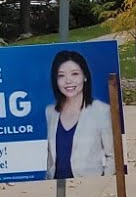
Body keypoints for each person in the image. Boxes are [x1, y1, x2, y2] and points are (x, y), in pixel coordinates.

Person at [44, 50, 114, 179]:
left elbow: (113, 155)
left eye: (75, 74)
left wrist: (103, 184)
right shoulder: (50, 112)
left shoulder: (101, 111)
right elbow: (50, 157)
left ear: (85, 76)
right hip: (57, 187)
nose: (68, 81)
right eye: (61, 75)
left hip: (89, 188)